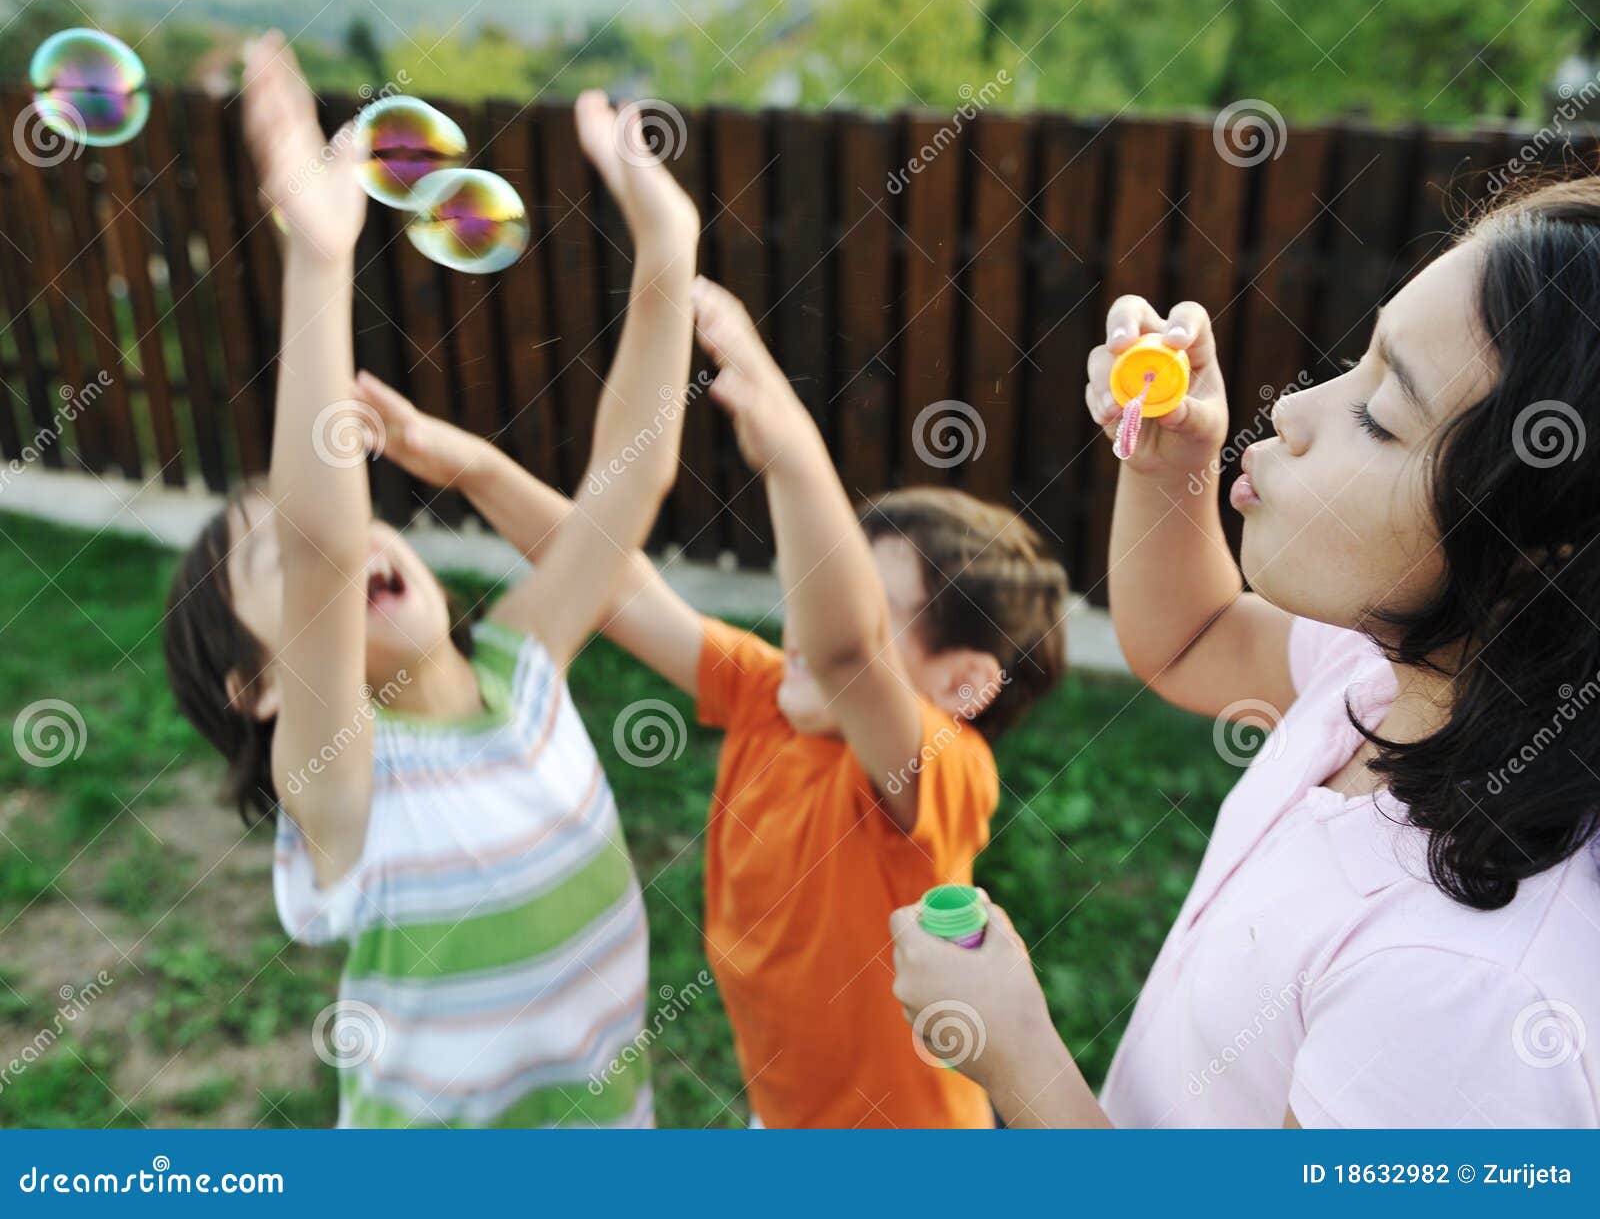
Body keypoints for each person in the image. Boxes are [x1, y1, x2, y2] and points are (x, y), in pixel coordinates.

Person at [890, 176, 1600, 1129]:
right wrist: (1172, 463)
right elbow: (1193, 639)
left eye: (1380, 416)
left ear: (1525, 566)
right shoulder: (1394, 668)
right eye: (1358, 362)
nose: (1300, 407)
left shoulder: (1463, 995)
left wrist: (1017, 1055)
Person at [347, 276, 1069, 1127]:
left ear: (958, 685)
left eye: (862, 600)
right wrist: (465, 465)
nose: (807, 612)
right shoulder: (774, 695)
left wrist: (794, 453)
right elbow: (618, 586)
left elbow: (846, 653)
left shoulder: (939, 770)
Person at [161, 32, 699, 1127]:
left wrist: (668, 254)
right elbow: (323, 543)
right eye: (281, 568)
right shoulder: (341, 786)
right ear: (263, 689)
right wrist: (319, 258)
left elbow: (630, 477)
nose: (352, 546)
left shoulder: (525, 662)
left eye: (362, 526)